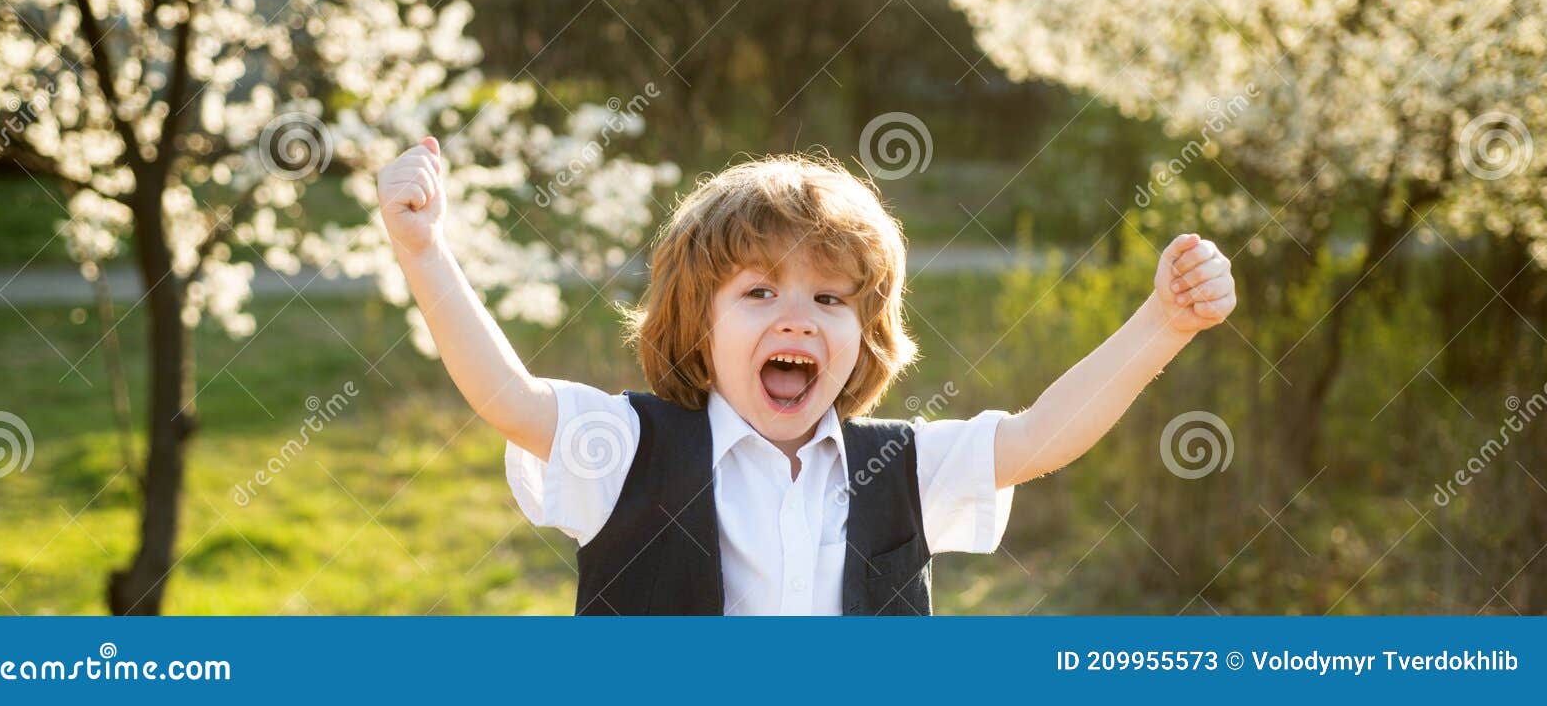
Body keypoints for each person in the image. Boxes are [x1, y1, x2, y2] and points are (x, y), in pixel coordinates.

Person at [376, 138, 1237, 615]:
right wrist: (424, 251)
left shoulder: (899, 465)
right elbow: (506, 396)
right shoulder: (630, 448)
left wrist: (1162, 322)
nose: (796, 316)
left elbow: (1042, 437)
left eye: (829, 297)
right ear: (698, 326)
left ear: (863, 336)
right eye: (758, 292)